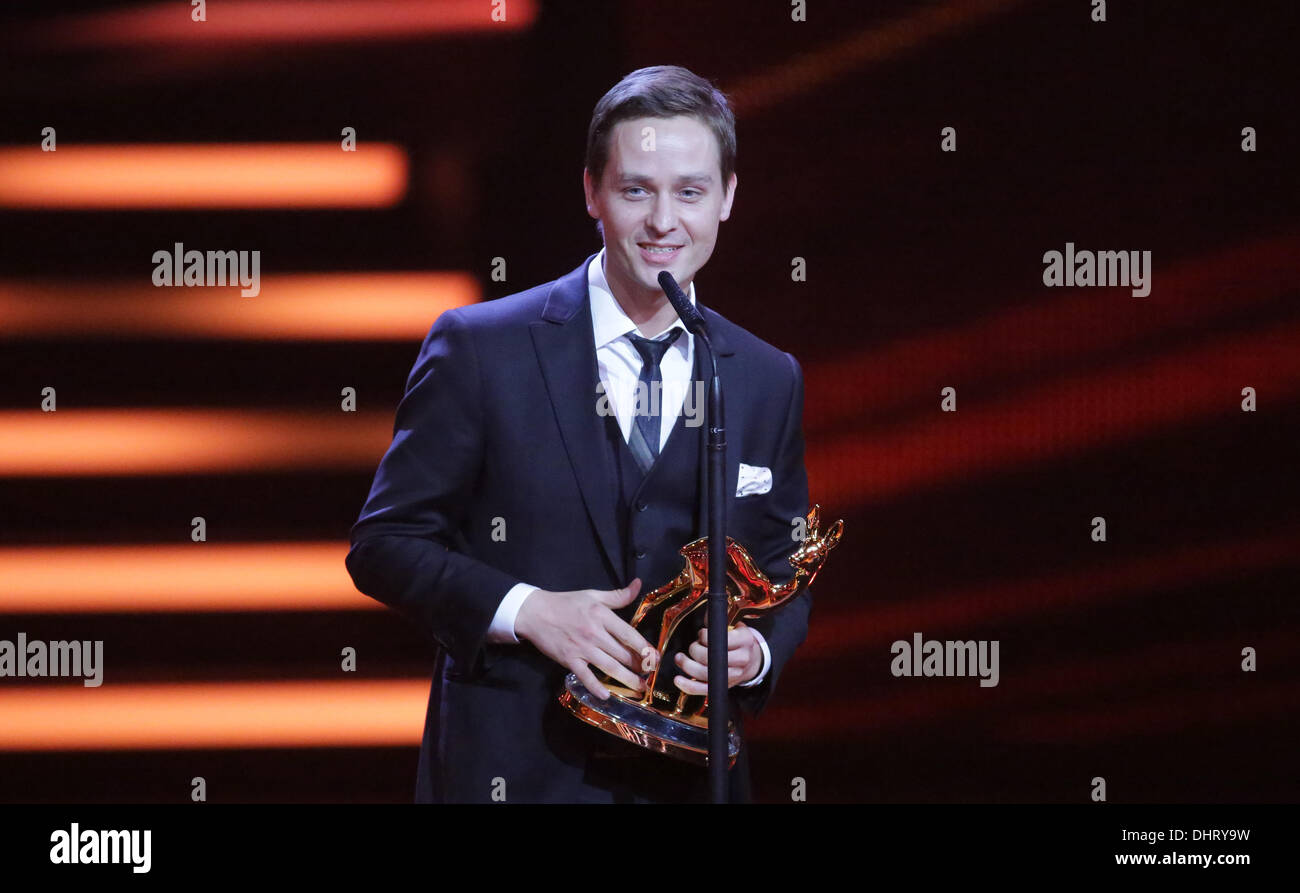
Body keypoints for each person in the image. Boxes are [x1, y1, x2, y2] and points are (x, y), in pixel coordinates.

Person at [345, 64, 812, 803]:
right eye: (636, 190)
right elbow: (384, 546)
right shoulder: (481, 347)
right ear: (591, 191)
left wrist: (754, 654)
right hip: (514, 769)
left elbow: (782, 561)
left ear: (726, 197)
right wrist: (527, 609)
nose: (664, 221)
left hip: (689, 779)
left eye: (689, 192)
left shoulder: (765, 375)